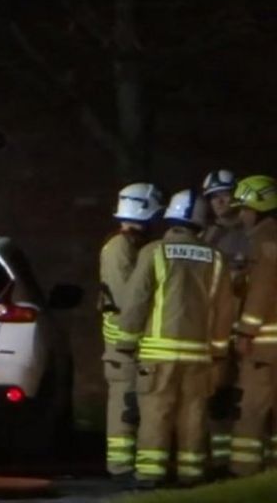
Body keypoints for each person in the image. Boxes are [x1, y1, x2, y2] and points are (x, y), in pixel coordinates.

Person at [114, 190, 235, 489]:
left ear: (170, 220)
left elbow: (137, 301)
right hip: (199, 357)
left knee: (156, 412)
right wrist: (218, 351)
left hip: (158, 355)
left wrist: (126, 342)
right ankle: (191, 474)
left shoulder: (154, 252)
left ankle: (150, 476)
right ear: (200, 225)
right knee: (193, 415)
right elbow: (224, 309)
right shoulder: (215, 258)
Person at [99, 183, 164, 481]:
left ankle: (125, 463)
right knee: (124, 403)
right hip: (122, 345)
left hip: (129, 341)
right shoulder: (121, 247)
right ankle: (121, 466)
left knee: (131, 403)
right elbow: (128, 299)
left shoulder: (128, 245)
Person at [200, 169, 250, 476]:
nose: (220, 201)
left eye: (224, 195)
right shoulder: (208, 235)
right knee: (214, 394)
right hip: (213, 327)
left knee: (243, 395)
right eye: (213, 197)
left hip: (243, 326)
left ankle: (243, 462)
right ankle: (219, 460)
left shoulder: (249, 233)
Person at [226, 175, 277, 477]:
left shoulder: (263, 242)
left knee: (251, 408)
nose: (241, 215)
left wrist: (246, 331)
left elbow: (261, 290)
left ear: (259, 207)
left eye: (244, 208)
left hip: (264, 346)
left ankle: (242, 471)